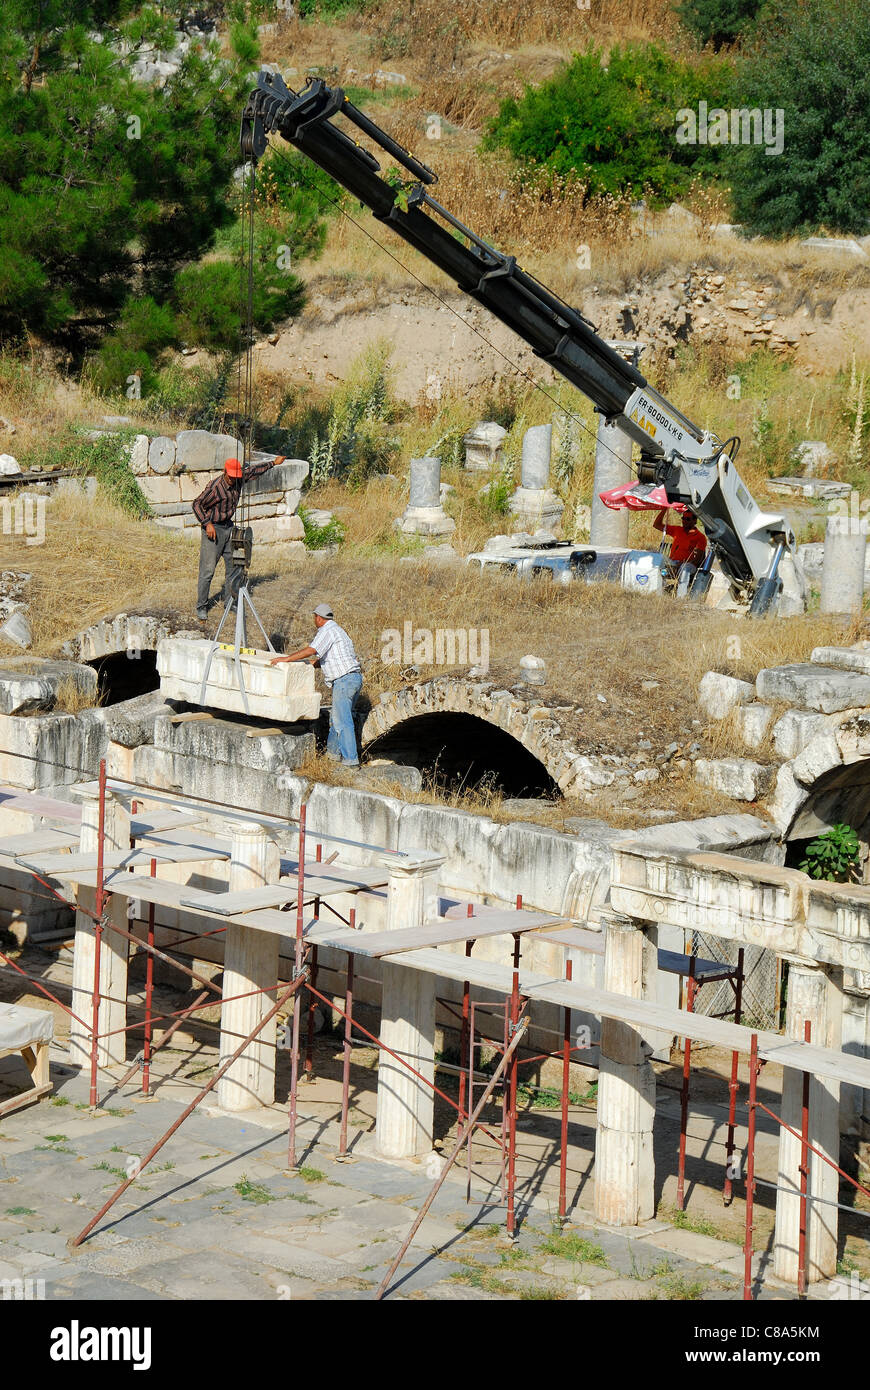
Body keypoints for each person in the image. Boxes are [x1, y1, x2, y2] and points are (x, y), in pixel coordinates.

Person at [193, 453, 285, 623]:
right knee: (208, 571)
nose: (233, 480)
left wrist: (274, 463)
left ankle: (230, 602)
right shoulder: (215, 488)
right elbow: (197, 504)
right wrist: (207, 524)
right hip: (213, 530)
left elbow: (253, 471)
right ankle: (201, 607)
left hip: (229, 527)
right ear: (224, 472)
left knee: (234, 566)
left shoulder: (238, 478)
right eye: (231, 477)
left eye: (236, 477)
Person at [271, 603, 362, 767]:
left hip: (344, 681)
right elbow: (332, 658)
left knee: (343, 721)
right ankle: (332, 755)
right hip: (353, 679)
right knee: (337, 719)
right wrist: (311, 665)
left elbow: (311, 650)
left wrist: (286, 659)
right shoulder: (339, 631)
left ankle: (351, 762)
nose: (314, 620)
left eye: (314, 617)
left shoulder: (327, 631)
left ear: (319, 618)